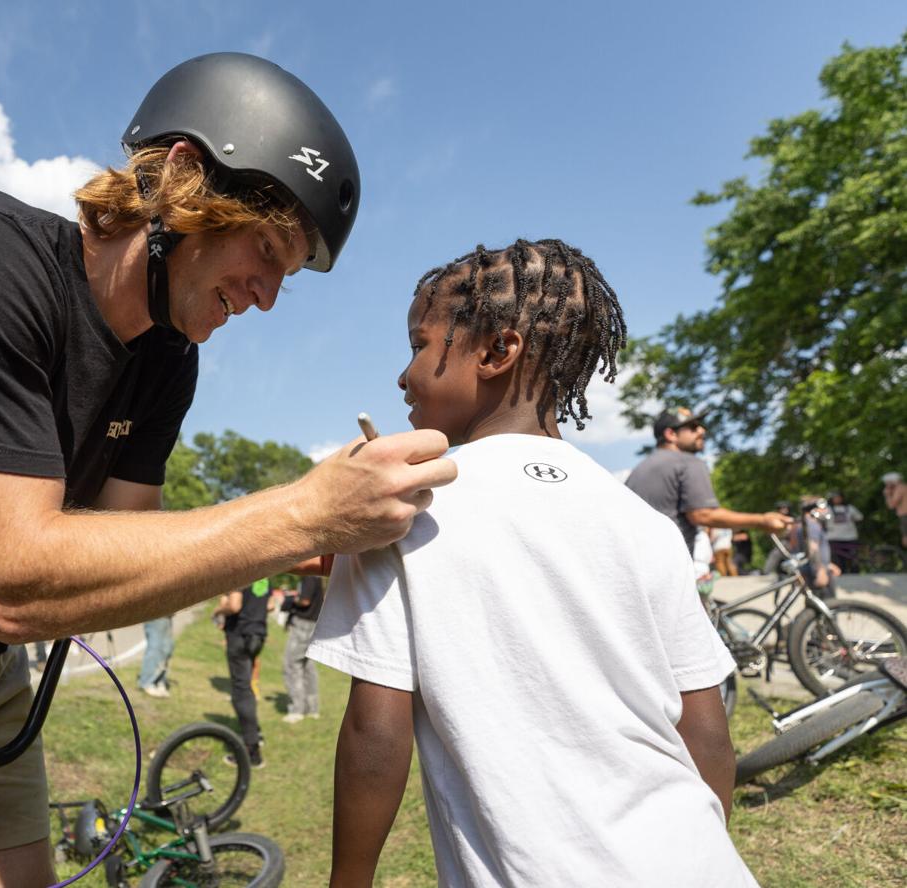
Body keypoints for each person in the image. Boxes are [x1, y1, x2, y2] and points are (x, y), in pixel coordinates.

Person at [0, 53, 455, 888]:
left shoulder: (168, 359)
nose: (269, 296)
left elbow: (125, 553)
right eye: (267, 248)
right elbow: (15, 578)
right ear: (183, 176)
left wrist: (322, 541)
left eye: (287, 272)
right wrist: (303, 514)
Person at [308, 239, 757, 887]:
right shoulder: (641, 522)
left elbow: (374, 734)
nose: (401, 375)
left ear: (496, 351)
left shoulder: (395, 509)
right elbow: (707, 732)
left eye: (418, 345)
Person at [626, 407, 791, 564]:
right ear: (671, 434)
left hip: (635, 568)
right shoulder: (687, 462)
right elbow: (703, 515)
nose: (701, 431)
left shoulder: (639, 470)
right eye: (692, 427)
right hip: (667, 569)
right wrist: (762, 521)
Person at [214, 578, 272, 767]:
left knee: (241, 690)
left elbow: (235, 605)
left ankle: (251, 751)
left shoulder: (243, 570)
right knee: (246, 685)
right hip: (258, 634)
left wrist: (218, 611)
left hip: (240, 634)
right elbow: (270, 605)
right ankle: (255, 732)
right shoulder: (266, 573)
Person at [281, 573, 323, 723]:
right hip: (312, 625)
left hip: (303, 626)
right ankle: (312, 709)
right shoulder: (316, 577)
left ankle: (296, 710)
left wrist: (291, 600)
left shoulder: (309, 577)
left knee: (291, 665)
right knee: (307, 667)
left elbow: (304, 601)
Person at [824, 491, 863, 574]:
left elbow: (859, 517)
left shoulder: (850, 508)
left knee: (852, 557)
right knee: (837, 558)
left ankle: (853, 572)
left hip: (850, 537)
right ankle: (840, 572)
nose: (837, 499)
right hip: (834, 537)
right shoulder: (827, 509)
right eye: (835, 498)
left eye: (839, 497)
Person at [137, 614, 174, 698]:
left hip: (167, 615)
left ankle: (159, 681)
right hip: (156, 614)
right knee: (156, 648)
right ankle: (147, 682)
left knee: (167, 648)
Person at [882, 472, 906, 549]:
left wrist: (887, 495)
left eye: (887, 483)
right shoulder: (904, 487)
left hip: (905, 516)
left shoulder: (899, 488)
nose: (886, 486)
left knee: (905, 540)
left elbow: (891, 505)